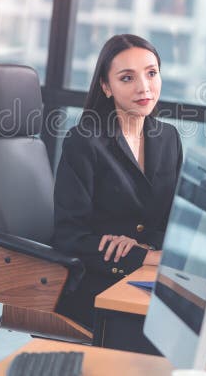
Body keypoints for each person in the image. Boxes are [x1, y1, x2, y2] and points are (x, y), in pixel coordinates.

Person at [53, 34, 183, 328]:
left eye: (151, 73)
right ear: (105, 86)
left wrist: (151, 250)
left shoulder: (168, 139)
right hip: (98, 285)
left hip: (151, 277)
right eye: (127, 78)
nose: (144, 87)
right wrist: (141, 256)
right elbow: (68, 238)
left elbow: (172, 223)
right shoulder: (84, 142)